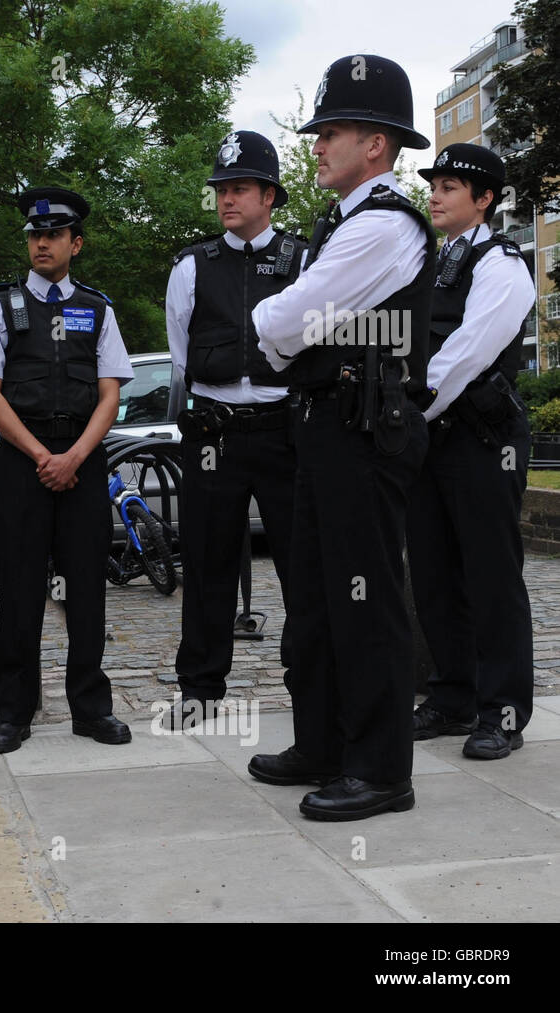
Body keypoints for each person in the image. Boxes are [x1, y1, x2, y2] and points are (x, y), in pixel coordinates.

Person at [245, 55, 438, 820]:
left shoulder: (385, 224)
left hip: (364, 423)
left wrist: (277, 327)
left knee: (366, 599)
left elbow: (286, 320)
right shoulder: (347, 220)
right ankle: (324, 743)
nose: (318, 144)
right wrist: (286, 331)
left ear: (377, 147)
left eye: (333, 132)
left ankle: (383, 768)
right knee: (319, 599)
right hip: (327, 420)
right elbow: (297, 326)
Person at [0, 186, 134, 754]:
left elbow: (110, 393)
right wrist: (41, 456)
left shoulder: (99, 309)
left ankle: (91, 709)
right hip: (21, 461)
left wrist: (75, 456)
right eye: (35, 235)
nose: (42, 243)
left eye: (54, 235)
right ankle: (14, 711)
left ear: (75, 244)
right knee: (20, 589)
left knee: (86, 588)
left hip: (81, 458)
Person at [165, 131, 307, 727]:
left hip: (285, 430)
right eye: (222, 189)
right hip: (214, 431)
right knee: (206, 561)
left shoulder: (304, 258)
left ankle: (310, 682)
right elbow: (179, 354)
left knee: (304, 565)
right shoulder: (193, 265)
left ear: (269, 194)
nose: (227, 199)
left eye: (240, 188)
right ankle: (200, 686)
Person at [408, 143, 535, 760]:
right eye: (434, 184)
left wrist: (409, 412)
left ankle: (502, 712)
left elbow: (465, 355)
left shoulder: (502, 264)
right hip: (434, 440)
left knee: (490, 578)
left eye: (451, 186)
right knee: (433, 576)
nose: (435, 194)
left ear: (484, 200)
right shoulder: (435, 264)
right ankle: (453, 696)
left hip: (484, 442)